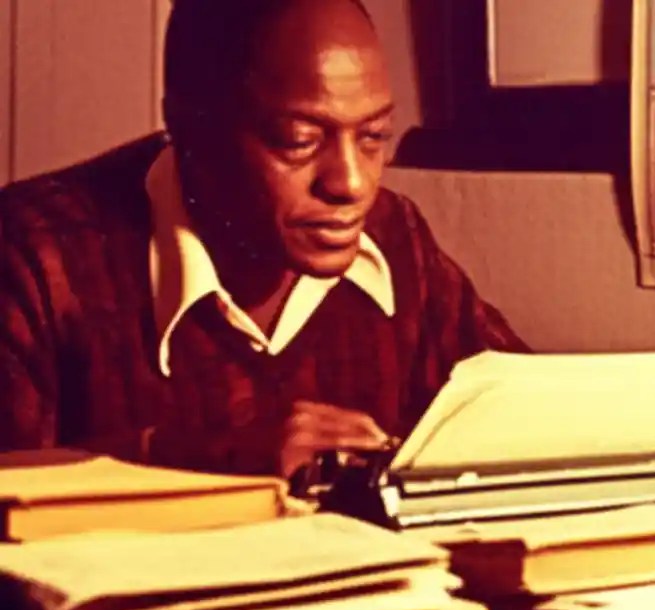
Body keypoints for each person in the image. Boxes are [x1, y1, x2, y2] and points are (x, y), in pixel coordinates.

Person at [0, 0, 527, 479]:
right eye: (299, 141)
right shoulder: (36, 255)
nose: (351, 182)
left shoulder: (395, 239)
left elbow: (531, 413)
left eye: (373, 137)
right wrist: (202, 462)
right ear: (189, 127)